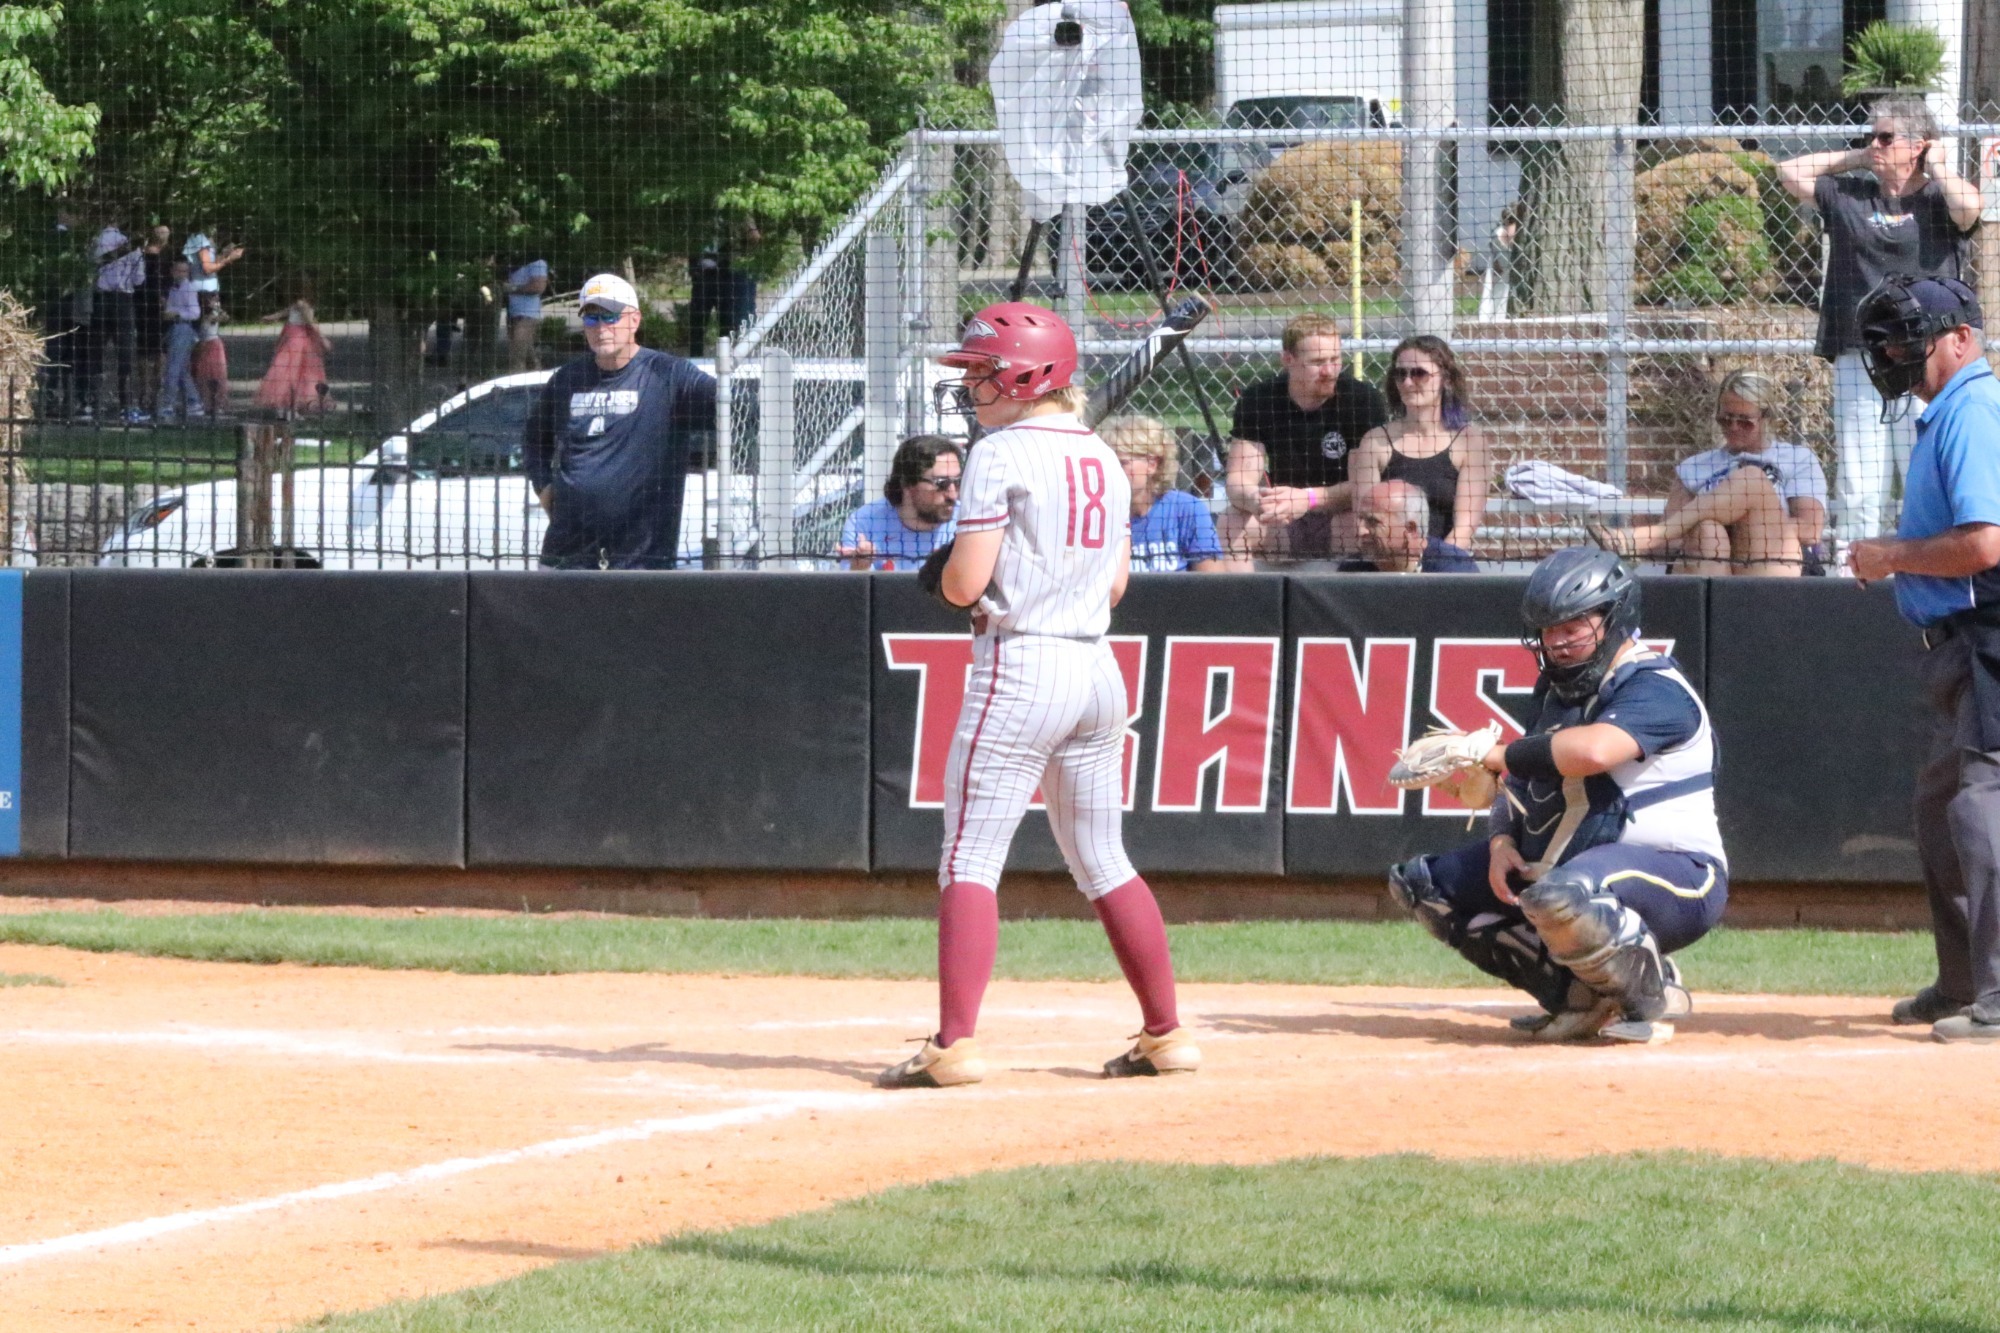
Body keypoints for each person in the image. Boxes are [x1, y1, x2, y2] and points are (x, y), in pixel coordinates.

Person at [877, 301, 1198, 1090]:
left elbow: (964, 582)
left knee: (968, 856)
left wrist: (957, 578)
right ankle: (1167, 1032)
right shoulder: (1101, 455)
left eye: (983, 370)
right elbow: (1116, 582)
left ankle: (953, 1044)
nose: (973, 385)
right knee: (1102, 857)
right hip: (1096, 667)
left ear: (1025, 372)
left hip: (1022, 669)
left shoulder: (998, 453)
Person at [1385, 547, 1726, 1044]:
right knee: (1423, 886)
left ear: (1612, 620)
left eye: (1573, 628)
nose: (1558, 643)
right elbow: (1524, 784)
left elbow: (1591, 751)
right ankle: (1578, 998)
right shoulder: (1555, 691)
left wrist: (1496, 753)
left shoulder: (1655, 686)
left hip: (1682, 876)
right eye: (1549, 631)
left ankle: (1652, 991)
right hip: (1574, 870)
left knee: (1565, 892)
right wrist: (1502, 841)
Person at [1844, 275, 2000, 1042]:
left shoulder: (1974, 408)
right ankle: (1964, 980)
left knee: (1981, 810)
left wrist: (1889, 556)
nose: (1898, 353)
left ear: (1963, 340)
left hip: (1989, 639)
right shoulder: (1945, 414)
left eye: (1915, 338)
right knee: (1941, 811)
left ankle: (1999, 996)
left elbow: (1984, 544)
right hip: (1957, 647)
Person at [1776, 95, 1981, 545]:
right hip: (1862, 354)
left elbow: (1971, 210)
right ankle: (1855, 579)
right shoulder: (1851, 194)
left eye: (1886, 137)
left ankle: (1931, 571)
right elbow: (1788, 172)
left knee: (1923, 473)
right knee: (1858, 480)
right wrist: (1857, 157)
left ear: (1918, 145)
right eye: (1872, 135)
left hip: (1924, 358)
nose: (1876, 143)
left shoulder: (1937, 197)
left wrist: (1939, 166)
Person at [523, 273, 717, 570]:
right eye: (591, 318)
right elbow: (535, 438)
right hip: (567, 555)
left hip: (639, 559)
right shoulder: (567, 379)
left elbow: (729, 407)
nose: (601, 328)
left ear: (635, 321)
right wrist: (544, 486)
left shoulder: (669, 375)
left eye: (611, 316)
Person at [1586, 370, 1829, 576]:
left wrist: (1741, 517)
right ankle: (1712, 625)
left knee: (1753, 479)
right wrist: (1714, 521)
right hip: (1709, 558)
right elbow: (1672, 544)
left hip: (1773, 561)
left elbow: (1810, 530)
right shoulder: (1695, 467)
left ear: (1766, 418)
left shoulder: (1797, 459)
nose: (1733, 428)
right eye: (1725, 419)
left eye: (1745, 421)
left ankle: (1645, 537)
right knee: (1708, 530)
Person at [1219, 314, 1389, 561]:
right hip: (1283, 519)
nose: (1329, 371)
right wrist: (1259, 501)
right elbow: (1237, 481)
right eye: (1318, 362)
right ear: (1288, 360)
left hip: (1342, 515)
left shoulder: (1361, 400)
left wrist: (1307, 498)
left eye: (1335, 359)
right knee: (1231, 522)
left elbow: (1363, 487)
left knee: (1371, 524)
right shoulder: (1259, 399)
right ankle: (1245, 599)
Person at [1351, 335, 1492, 551]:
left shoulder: (1470, 441)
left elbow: (1464, 528)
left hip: (1446, 557)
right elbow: (1367, 522)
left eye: (1419, 373)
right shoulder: (1375, 442)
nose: (1407, 382)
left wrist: (1433, 570)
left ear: (1446, 379)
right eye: (1401, 374)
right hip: (1388, 558)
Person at [1098, 415, 1240, 572]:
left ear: (1152, 464)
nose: (1111, 470)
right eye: (1106, 463)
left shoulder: (1187, 510)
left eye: (1122, 463)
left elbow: (1213, 586)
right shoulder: (1095, 515)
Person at [835, 434, 962, 570]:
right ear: (908, 484)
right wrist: (859, 569)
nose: (953, 495)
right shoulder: (864, 522)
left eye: (958, 482)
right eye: (941, 483)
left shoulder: (967, 522)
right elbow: (853, 589)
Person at [1338, 480, 1478, 572]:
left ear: (1410, 530)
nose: (1360, 530)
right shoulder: (1352, 571)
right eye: (1360, 519)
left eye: (1373, 522)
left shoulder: (1454, 570)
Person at [90, 223, 146, 422]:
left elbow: (91, 269)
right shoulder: (133, 248)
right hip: (124, 300)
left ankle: (93, 401)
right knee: (125, 352)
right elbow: (139, 279)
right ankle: (126, 403)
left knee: (97, 350)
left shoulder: (96, 240)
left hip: (102, 299)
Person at [254, 296, 332, 417]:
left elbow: (284, 312)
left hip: (296, 339)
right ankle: (288, 408)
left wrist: (270, 317)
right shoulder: (302, 304)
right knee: (292, 373)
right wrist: (323, 339)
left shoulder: (298, 303)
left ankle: (292, 407)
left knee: (298, 374)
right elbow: (310, 322)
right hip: (298, 340)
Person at [158, 259, 204, 422]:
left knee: (173, 367)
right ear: (172, 271)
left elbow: (195, 313)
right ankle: (194, 402)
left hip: (183, 328)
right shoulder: (172, 289)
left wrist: (176, 314)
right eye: (179, 270)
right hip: (174, 328)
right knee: (182, 368)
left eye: (185, 271)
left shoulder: (189, 288)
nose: (181, 274)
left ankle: (168, 405)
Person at [135, 225, 173, 419]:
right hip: (149, 306)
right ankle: (147, 391)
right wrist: (162, 297)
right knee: (150, 351)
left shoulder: (163, 255)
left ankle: (154, 391)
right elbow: (148, 282)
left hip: (154, 307)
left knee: (157, 351)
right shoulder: (148, 256)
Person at [183, 226, 243, 314]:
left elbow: (213, 264)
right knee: (209, 322)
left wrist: (224, 253)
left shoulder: (205, 242)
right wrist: (229, 259)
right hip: (204, 291)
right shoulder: (201, 241)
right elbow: (207, 269)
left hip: (208, 290)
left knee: (211, 322)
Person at [505, 257, 550, 372]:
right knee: (530, 358)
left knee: (516, 358)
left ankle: (514, 387)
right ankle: (541, 384)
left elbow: (539, 287)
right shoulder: (515, 263)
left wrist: (512, 288)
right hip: (513, 314)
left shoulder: (537, 262)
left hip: (527, 315)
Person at [192, 300, 229, 419]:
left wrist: (218, 309)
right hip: (206, 345)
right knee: (205, 376)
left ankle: (217, 404)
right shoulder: (206, 316)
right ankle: (208, 404)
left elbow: (225, 317)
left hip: (213, 344)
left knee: (216, 376)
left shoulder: (213, 315)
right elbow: (223, 318)